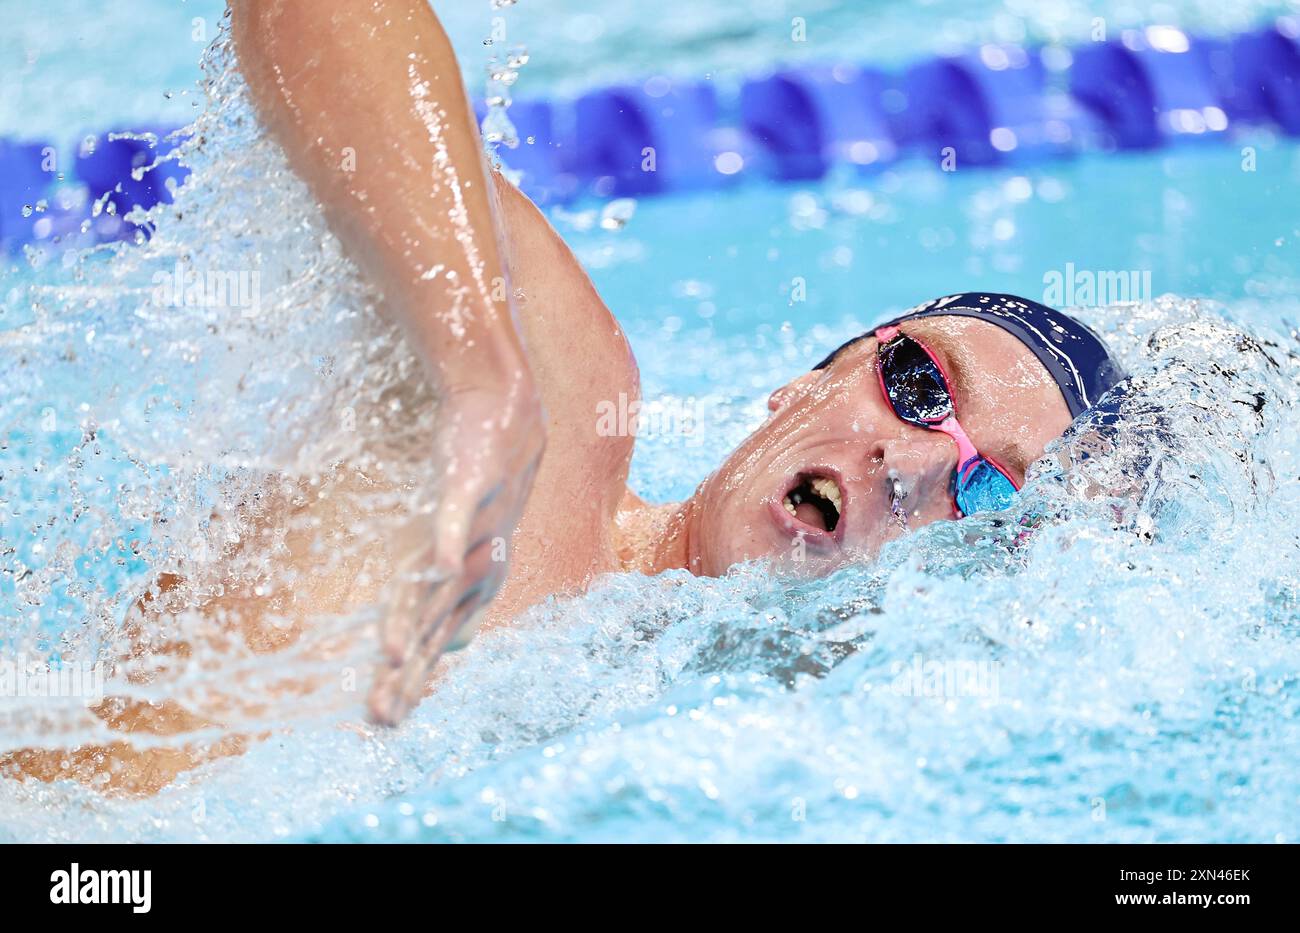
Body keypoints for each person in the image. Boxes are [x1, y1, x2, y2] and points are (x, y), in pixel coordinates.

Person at [1, 0, 1123, 793]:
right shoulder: (553, 421)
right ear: (805, 381)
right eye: (917, 384)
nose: (910, 460)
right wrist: (476, 361)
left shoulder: (737, 767)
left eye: (980, 490)